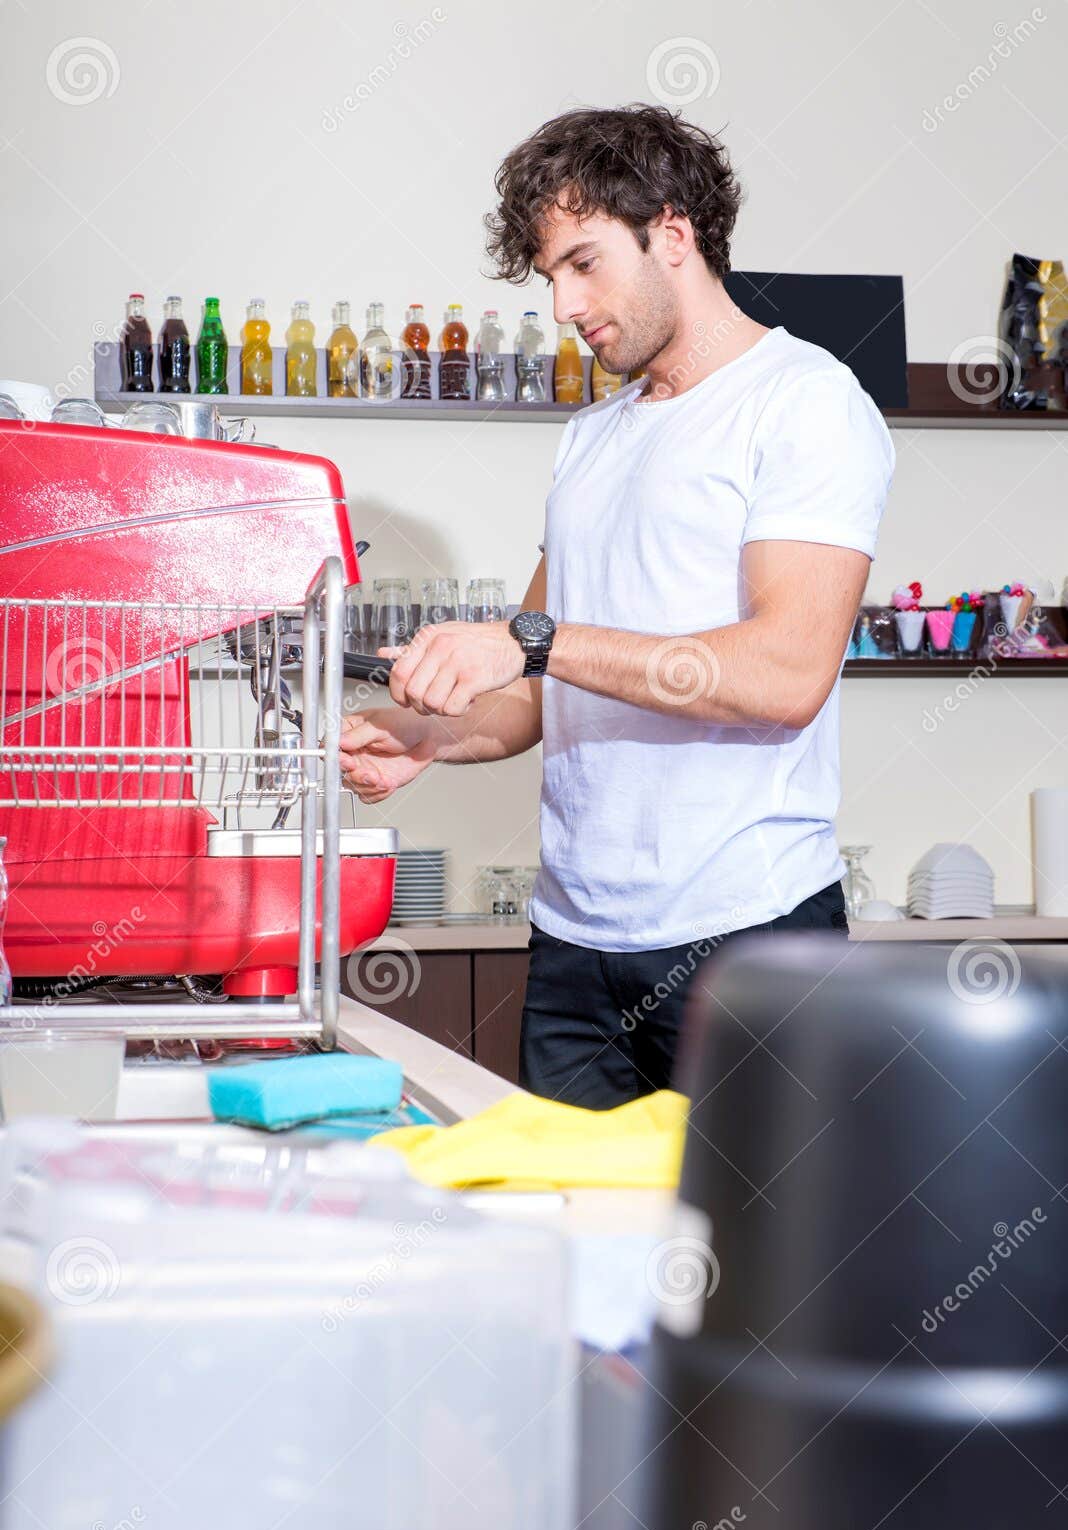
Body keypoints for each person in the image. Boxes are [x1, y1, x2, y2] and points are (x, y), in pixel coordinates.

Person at [339, 104, 894, 1110]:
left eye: (583, 263)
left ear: (672, 234)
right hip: (574, 954)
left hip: (748, 942)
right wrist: (432, 734)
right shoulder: (591, 437)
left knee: (754, 1262)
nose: (561, 304)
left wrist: (531, 644)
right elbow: (537, 688)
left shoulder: (807, 403)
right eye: (549, 275)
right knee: (577, 1251)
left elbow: (785, 675)